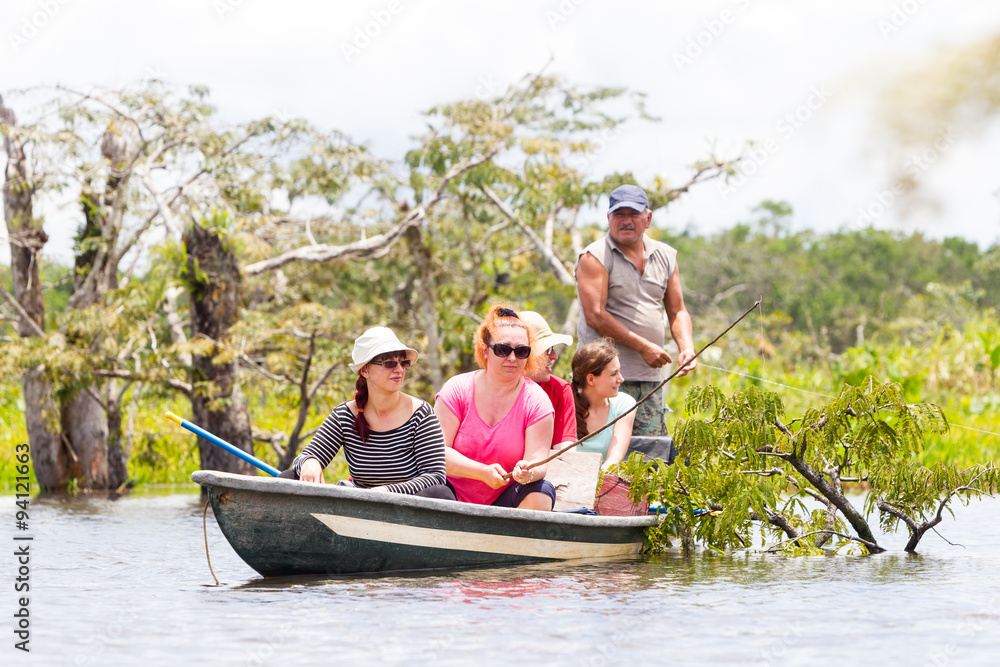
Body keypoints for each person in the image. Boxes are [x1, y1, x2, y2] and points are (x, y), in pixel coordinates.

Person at [575, 183, 696, 438]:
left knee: (650, 452)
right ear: (609, 218)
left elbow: (678, 311)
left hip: (648, 379)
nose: (626, 221)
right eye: (619, 214)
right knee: (599, 450)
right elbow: (595, 315)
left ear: (648, 219)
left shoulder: (666, 255)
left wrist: (687, 348)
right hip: (600, 379)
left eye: (634, 214)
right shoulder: (594, 256)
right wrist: (644, 347)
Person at [285, 327, 455, 500]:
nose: (399, 369)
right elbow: (303, 457)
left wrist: (386, 492)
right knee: (290, 478)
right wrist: (311, 461)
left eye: (403, 362)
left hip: (408, 509)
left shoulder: (421, 414)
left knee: (441, 493)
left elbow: (435, 477)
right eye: (389, 363)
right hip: (360, 508)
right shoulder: (345, 415)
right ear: (365, 370)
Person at [434, 305, 556, 510]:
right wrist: (482, 472)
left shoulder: (537, 401)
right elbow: (437, 452)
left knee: (542, 492)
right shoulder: (456, 389)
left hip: (504, 502)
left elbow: (538, 461)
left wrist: (528, 471)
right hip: (450, 497)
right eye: (503, 349)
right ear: (485, 350)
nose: (512, 358)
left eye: (521, 351)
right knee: (431, 490)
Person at [571, 339, 637, 469]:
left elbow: (615, 458)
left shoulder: (625, 404)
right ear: (591, 379)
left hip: (602, 478)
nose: (621, 379)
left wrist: (597, 480)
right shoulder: (563, 404)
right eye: (613, 374)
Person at [519, 311, 576, 450]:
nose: (555, 356)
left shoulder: (559, 389)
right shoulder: (481, 387)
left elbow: (565, 452)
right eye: (548, 349)